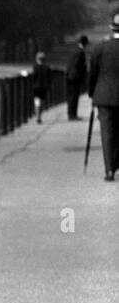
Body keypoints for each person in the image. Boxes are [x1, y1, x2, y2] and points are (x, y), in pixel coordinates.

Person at [88, 12, 119, 181]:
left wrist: (92, 92)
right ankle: (116, 162)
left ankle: (109, 169)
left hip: (104, 96)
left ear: (111, 28)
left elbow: (93, 74)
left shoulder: (100, 48)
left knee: (107, 133)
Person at [65, 35, 89, 121]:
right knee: (74, 96)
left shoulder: (74, 50)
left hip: (70, 76)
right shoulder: (80, 52)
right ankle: (72, 115)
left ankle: (71, 114)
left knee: (71, 96)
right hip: (75, 77)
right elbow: (80, 66)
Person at [31, 51, 51, 123]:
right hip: (44, 88)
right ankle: (39, 116)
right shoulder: (47, 68)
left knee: (37, 102)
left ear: (37, 59)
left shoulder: (35, 67)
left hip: (36, 88)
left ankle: (37, 116)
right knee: (41, 102)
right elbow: (49, 79)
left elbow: (33, 77)